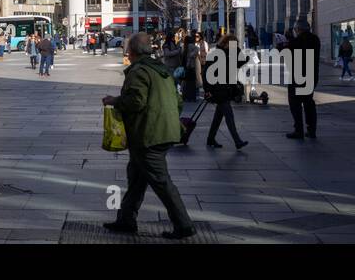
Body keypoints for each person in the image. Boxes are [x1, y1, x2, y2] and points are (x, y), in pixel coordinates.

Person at [101, 33, 196, 240]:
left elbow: (136, 101)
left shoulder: (139, 71)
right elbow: (178, 101)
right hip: (164, 131)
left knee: (161, 182)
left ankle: (184, 224)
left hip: (149, 135)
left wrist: (114, 101)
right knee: (136, 178)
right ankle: (126, 220)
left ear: (131, 52)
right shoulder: (161, 69)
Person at [202, 35, 249, 150]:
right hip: (217, 90)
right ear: (226, 43)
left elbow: (240, 62)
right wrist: (207, 90)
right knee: (229, 115)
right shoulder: (215, 54)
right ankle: (237, 141)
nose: (234, 47)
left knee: (218, 116)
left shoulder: (229, 54)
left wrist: (237, 49)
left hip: (225, 90)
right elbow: (206, 73)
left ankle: (210, 138)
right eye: (232, 44)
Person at [283, 21, 320, 139]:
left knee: (295, 103)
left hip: (297, 76)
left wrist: (282, 44)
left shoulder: (296, 41)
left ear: (298, 29)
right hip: (311, 75)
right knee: (309, 102)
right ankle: (311, 130)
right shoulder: (315, 39)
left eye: (295, 29)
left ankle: (298, 130)